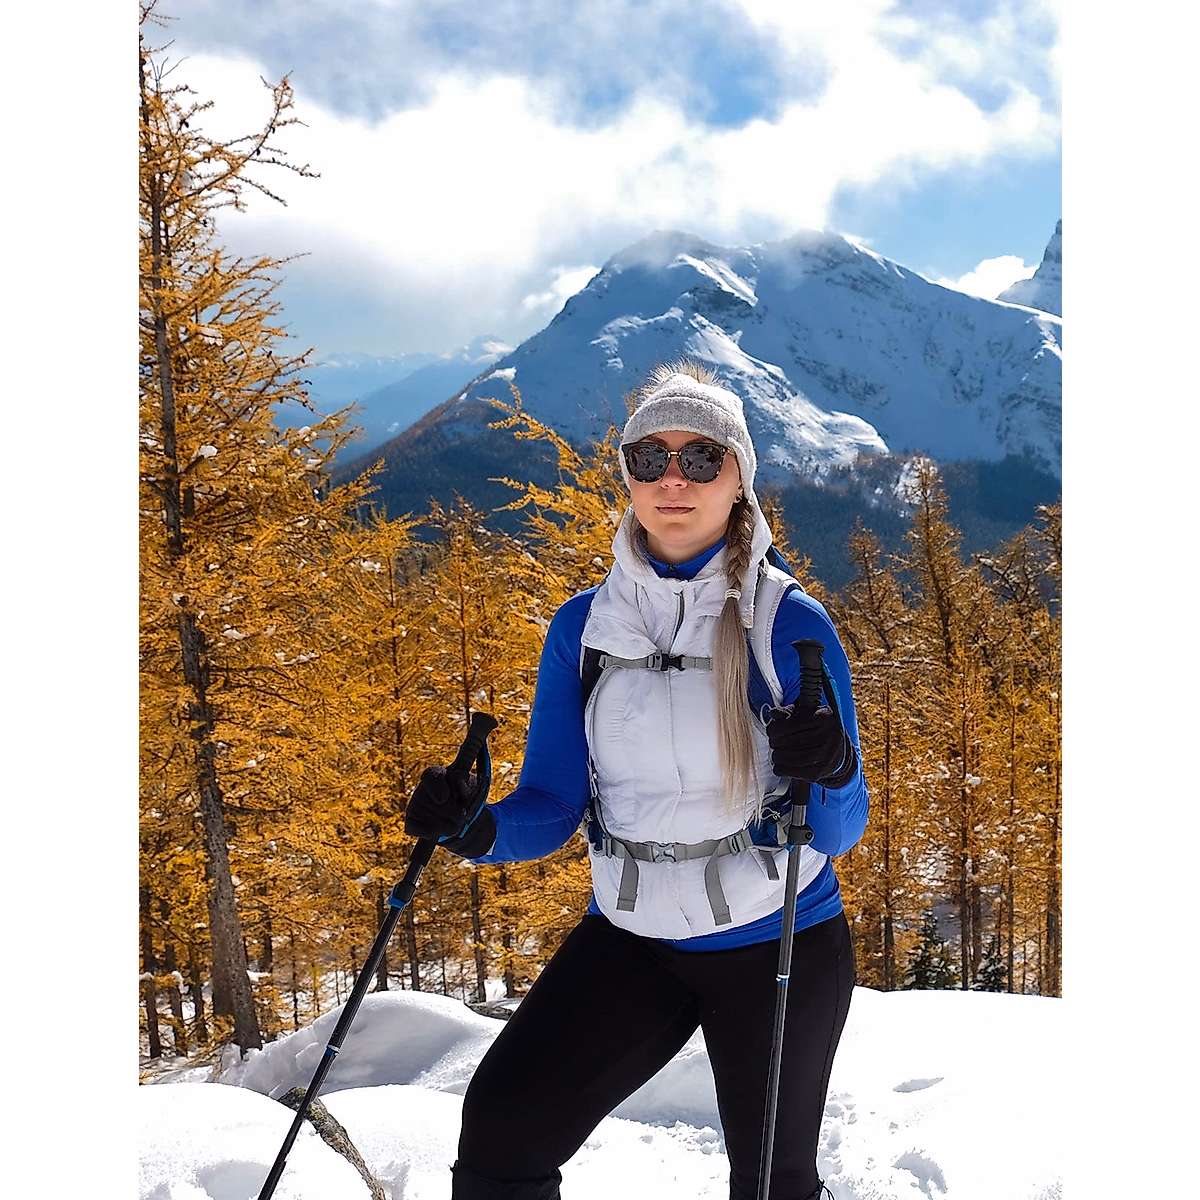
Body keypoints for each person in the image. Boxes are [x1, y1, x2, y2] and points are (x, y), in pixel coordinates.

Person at [406, 360, 869, 1200]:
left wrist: (830, 765)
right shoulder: (584, 628)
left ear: (740, 478)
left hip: (777, 937)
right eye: (649, 458)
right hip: (631, 936)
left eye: (701, 458)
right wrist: (477, 829)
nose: (672, 479)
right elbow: (554, 803)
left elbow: (839, 829)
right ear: (627, 474)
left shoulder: (787, 623)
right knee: (503, 1131)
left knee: (774, 1184)